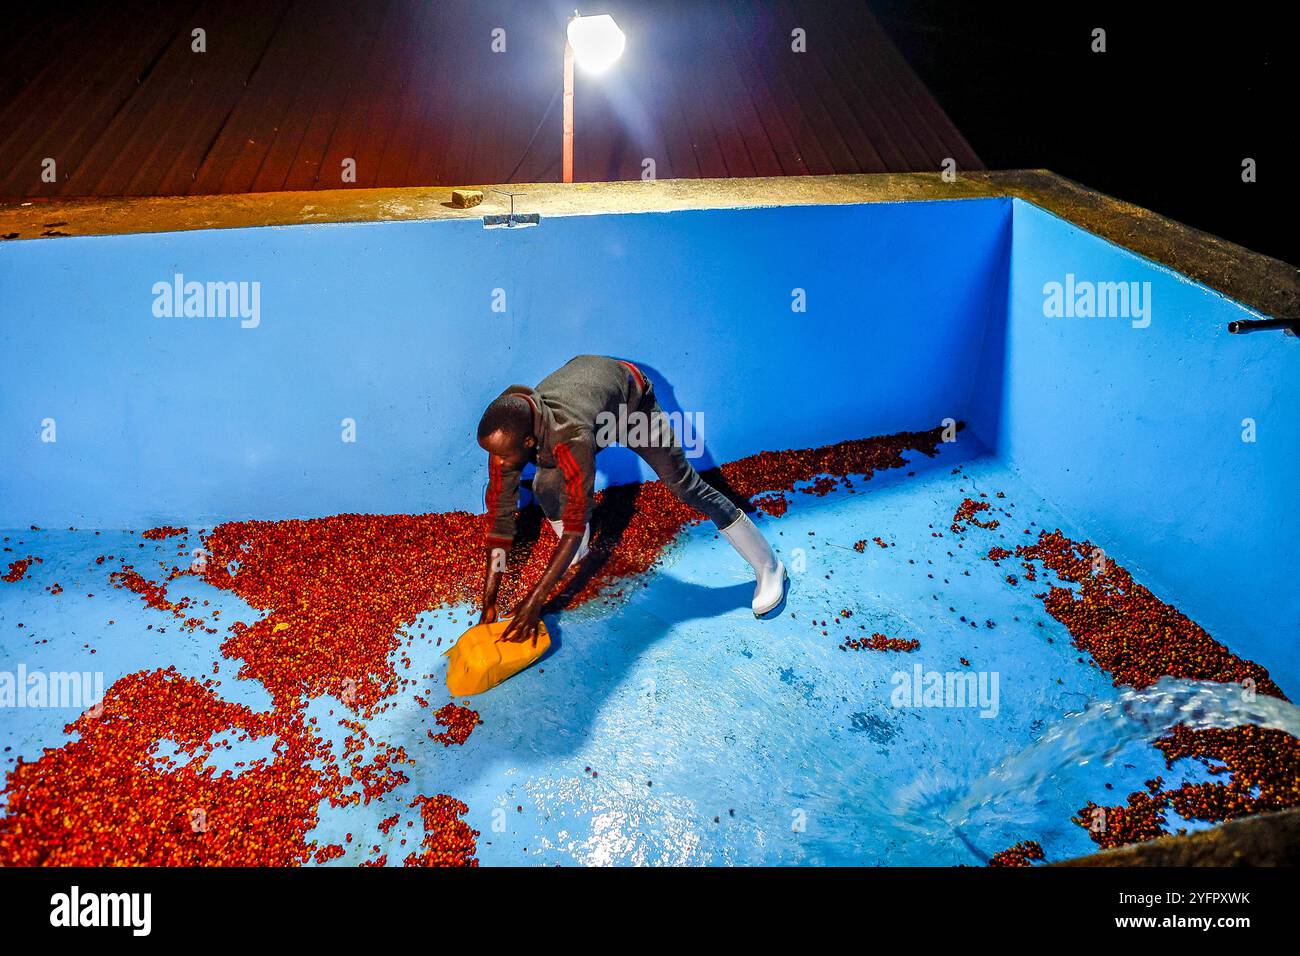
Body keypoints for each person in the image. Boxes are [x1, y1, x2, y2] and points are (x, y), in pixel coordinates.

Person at [477, 355, 787, 643]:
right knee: (545, 485)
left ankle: (769, 566)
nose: (498, 463)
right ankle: (578, 549)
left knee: (685, 486)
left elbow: (571, 526)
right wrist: (488, 601)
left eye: (502, 456)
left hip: (631, 408)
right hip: (591, 410)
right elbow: (500, 526)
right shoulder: (506, 438)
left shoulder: (570, 438)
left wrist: (535, 601)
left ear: (529, 441)